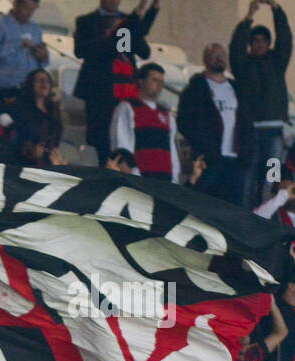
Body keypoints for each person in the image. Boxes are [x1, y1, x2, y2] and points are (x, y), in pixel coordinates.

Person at [73, 0, 158, 161]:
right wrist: (126, 25)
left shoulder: (128, 21)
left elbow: (143, 51)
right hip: (99, 91)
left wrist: (151, 10)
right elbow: (81, 51)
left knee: (126, 134)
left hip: (124, 87)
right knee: (101, 140)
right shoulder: (85, 21)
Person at [230, 0, 293, 206]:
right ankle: (243, 223)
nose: (259, 43)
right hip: (251, 133)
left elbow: (285, 39)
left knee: (271, 179)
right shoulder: (242, 64)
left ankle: (268, 219)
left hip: (275, 132)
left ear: (268, 43)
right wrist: (249, 17)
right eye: (255, 40)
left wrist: (276, 8)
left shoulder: (277, 62)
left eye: (264, 40)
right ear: (250, 43)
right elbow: (235, 47)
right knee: (247, 181)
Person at [178, 43, 248, 206]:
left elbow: (246, 123)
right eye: (215, 55)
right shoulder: (195, 89)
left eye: (223, 55)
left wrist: (246, 151)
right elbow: (184, 122)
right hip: (209, 159)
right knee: (204, 204)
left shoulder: (236, 89)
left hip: (236, 160)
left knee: (233, 208)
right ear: (205, 59)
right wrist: (203, 146)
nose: (220, 59)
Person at [110, 63, 180, 182]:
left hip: (165, 182)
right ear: (141, 82)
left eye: (161, 82)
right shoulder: (127, 108)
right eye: (154, 80)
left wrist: (174, 179)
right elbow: (122, 146)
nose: (159, 86)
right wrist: (133, 177)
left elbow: (172, 151)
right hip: (141, 180)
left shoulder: (166, 115)